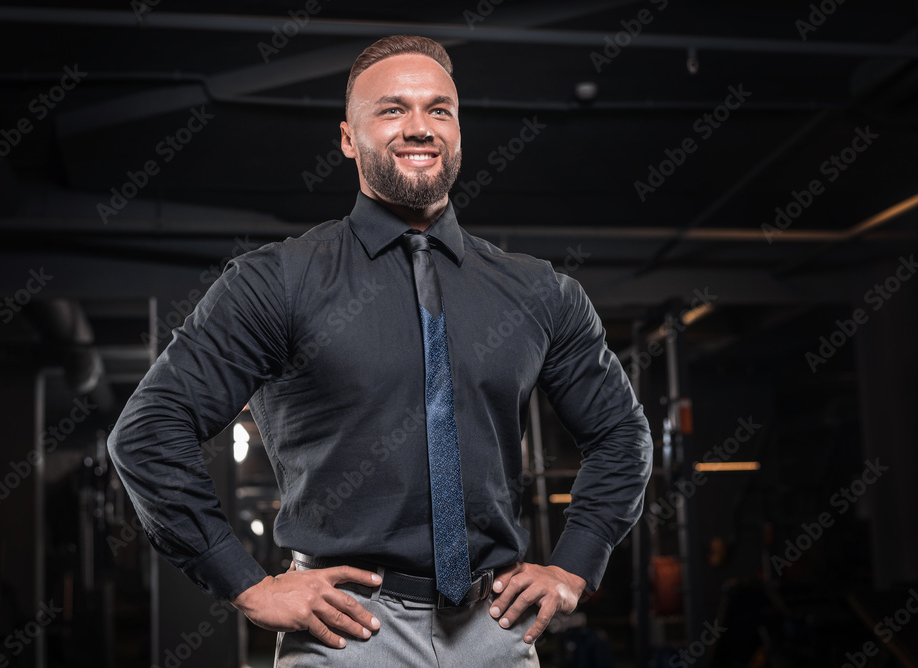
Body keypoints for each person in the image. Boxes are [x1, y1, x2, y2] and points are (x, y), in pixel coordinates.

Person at [108, 34, 653, 667]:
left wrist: (575, 564)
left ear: (457, 131)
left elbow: (622, 435)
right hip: (348, 633)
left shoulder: (539, 292)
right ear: (348, 138)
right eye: (392, 109)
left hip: (496, 630)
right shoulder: (278, 282)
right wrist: (245, 583)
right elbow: (149, 431)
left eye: (439, 110)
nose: (419, 127)